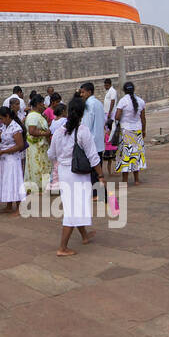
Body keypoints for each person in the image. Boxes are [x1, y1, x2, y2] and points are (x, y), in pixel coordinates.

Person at [45, 96, 103, 256]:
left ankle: (84, 235)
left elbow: (51, 154)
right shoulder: (83, 131)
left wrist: (63, 160)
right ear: (82, 113)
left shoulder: (58, 131)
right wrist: (100, 175)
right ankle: (62, 247)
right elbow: (93, 157)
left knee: (74, 205)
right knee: (73, 209)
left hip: (64, 173)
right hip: (78, 174)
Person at [0, 105, 26, 213]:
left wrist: (3, 151)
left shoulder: (15, 128)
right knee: (7, 181)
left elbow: (20, 145)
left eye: (1, 118)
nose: (0, 121)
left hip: (12, 159)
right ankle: (9, 204)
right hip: (4, 158)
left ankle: (19, 206)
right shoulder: (4, 126)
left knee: (14, 181)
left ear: (7, 116)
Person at [113, 82, 146, 184]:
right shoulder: (140, 101)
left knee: (126, 156)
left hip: (126, 131)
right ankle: (136, 180)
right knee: (136, 155)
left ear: (124, 90)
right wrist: (144, 130)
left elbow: (117, 117)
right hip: (137, 131)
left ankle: (125, 180)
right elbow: (143, 118)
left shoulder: (123, 101)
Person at [23, 94, 51, 192]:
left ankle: (43, 186)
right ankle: (37, 187)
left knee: (42, 166)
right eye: (42, 103)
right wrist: (45, 133)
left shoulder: (37, 115)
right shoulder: (32, 116)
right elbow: (32, 131)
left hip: (41, 147)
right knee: (37, 166)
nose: (44, 105)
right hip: (36, 147)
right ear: (38, 104)